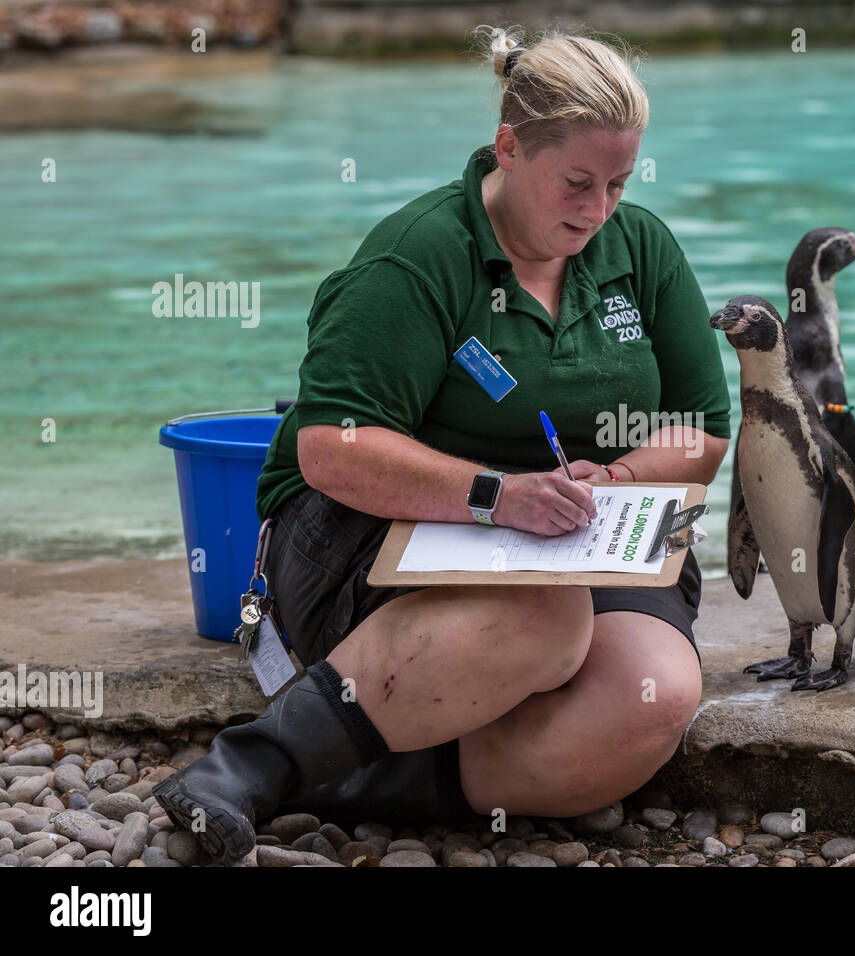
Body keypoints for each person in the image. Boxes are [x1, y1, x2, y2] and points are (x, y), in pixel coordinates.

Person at [154, 25, 732, 864]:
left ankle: (366, 782)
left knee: (653, 698)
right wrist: (499, 495)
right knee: (547, 617)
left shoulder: (640, 248)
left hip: (585, 539)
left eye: (618, 182)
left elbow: (704, 433)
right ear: (508, 147)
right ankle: (248, 765)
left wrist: (615, 474)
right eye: (576, 182)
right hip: (368, 538)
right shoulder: (418, 254)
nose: (599, 209)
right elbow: (329, 449)